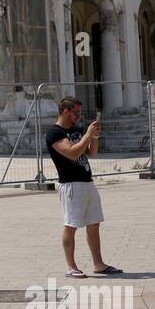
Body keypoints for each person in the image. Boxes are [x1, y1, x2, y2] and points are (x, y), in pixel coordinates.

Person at [45, 95, 121, 278]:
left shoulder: (78, 129)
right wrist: (87, 135)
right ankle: (71, 267)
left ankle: (99, 264)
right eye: (76, 113)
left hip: (87, 182)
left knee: (94, 224)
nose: (78, 117)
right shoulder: (55, 133)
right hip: (70, 185)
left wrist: (94, 137)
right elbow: (71, 153)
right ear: (65, 111)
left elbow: (91, 153)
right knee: (71, 225)